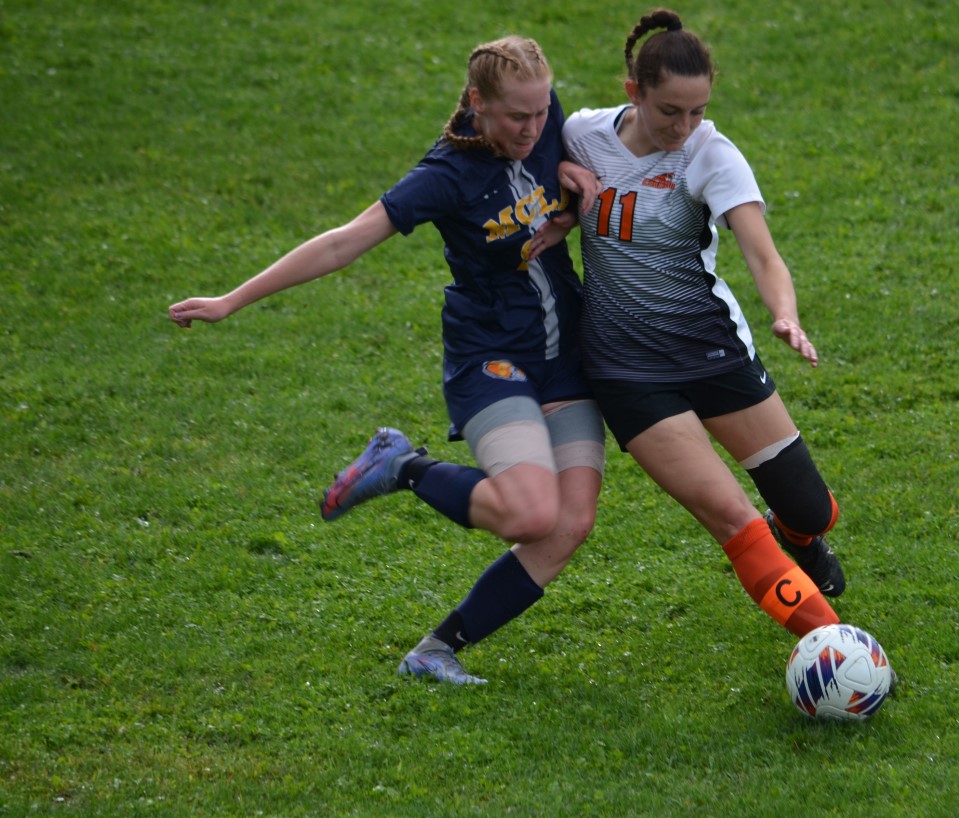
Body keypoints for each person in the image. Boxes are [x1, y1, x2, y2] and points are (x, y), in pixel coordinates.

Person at [168, 36, 605, 685]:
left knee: (570, 523)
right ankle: (402, 464)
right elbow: (344, 242)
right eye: (519, 116)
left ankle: (436, 648)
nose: (534, 128)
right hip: (492, 357)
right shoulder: (445, 176)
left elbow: (564, 162)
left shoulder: (540, 120)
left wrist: (573, 182)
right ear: (478, 104)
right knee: (531, 514)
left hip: (565, 352)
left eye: (542, 113)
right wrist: (233, 300)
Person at [549, 9, 848, 639]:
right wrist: (562, 181)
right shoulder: (581, 134)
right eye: (669, 112)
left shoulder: (711, 154)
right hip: (625, 370)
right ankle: (833, 642)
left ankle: (797, 536)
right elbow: (517, 159)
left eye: (698, 111)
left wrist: (785, 315)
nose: (684, 128)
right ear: (634, 92)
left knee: (811, 509)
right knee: (730, 516)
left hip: (714, 354)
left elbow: (761, 252)